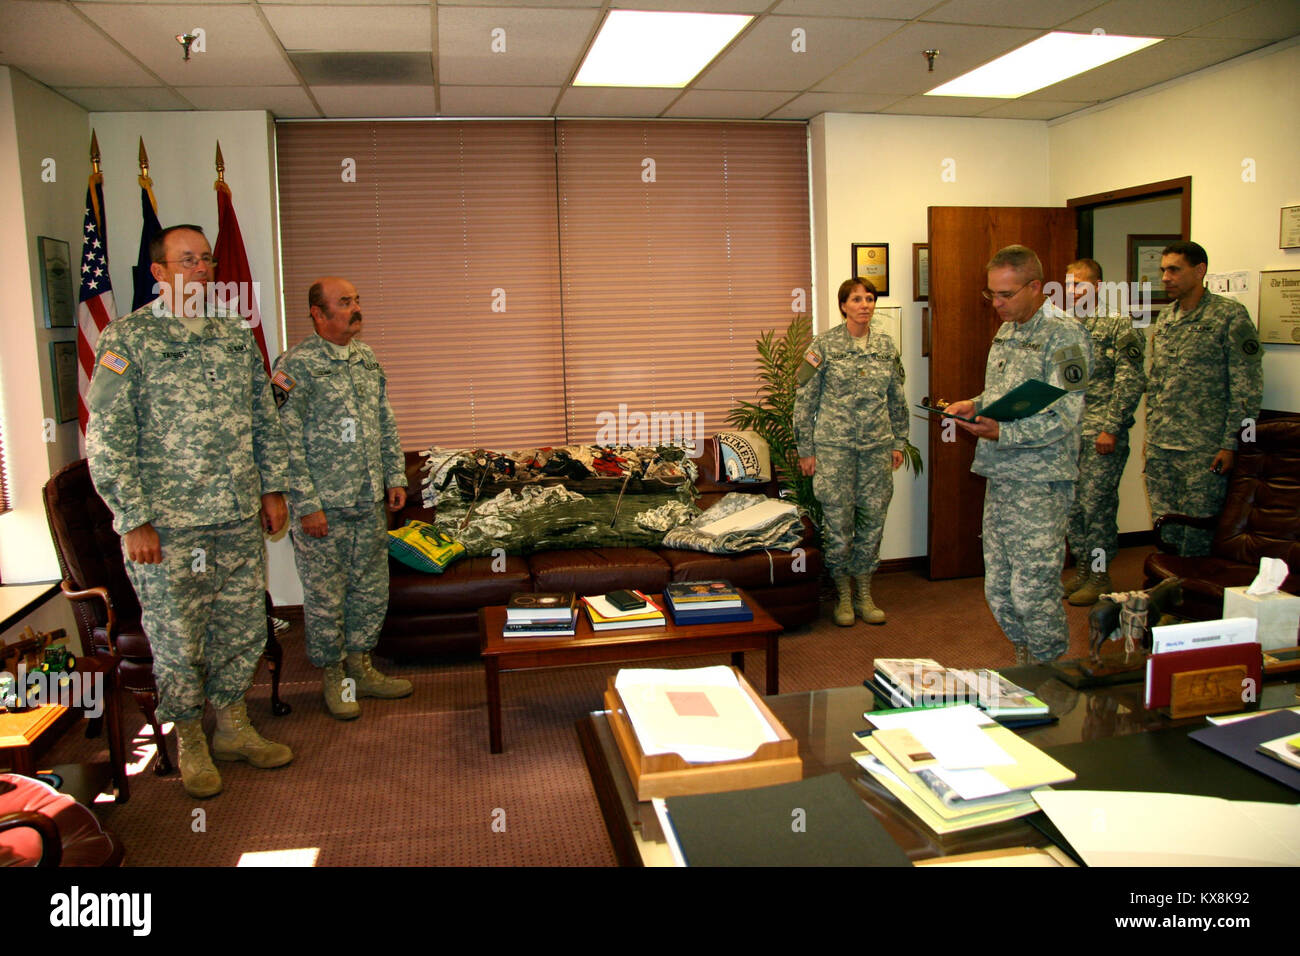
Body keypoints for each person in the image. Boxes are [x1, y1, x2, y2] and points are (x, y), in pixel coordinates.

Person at [86, 224, 293, 799]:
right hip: (168, 526)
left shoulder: (232, 335)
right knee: (179, 638)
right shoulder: (126, 340)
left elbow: (261, 418)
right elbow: (106, 438)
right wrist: (133, 518)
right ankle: (190, 741)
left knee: (242, 625)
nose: (201, 270)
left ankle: (231, 726)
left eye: (206, 260)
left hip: (234, 516)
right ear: (159, 273)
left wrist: (272, 489)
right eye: (187, 261)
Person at [943, 246, 1090, 665]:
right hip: (1002, 473)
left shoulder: (1065, 335)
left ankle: (1051, 669)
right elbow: (1004, 394)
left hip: (1041, 481)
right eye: (991, 294)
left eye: (1006, 294)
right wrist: (974, 404)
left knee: (1034, 589)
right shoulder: (1007, 330)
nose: (998, 303)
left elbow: (1065, 414)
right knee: (1000, 587)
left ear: (1036, 287)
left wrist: (1003, 430)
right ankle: (1026, 662)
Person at [272, 277, 411, 719]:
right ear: (318, 313)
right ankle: (334, 678)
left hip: (367, 500)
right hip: (324, 509)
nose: (355, 308)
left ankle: (361, 669)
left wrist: (394, 475)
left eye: (357, 300)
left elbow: (384, 422)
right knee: (326, 597)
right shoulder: (296, 365)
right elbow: (285, 441)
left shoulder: (366, 359)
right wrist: (306, 504)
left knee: (370, 590)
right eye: (345, 302)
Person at [794, 277, 908, 626]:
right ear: (843, 305)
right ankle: (843, 594)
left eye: (870, 298)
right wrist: (806, 449)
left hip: (876, 448)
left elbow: (896, 398)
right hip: (834, 449)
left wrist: (898, 442)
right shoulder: (823, 346)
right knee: (839, 524)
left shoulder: (886, 346)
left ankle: (864, 592)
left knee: (873, 522)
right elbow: (805, 399)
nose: (864, 305)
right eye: (856, 299)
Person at [1145, 240, 1263, 556]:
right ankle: (1168, 592)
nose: (1166, 277)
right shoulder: (1166, 317)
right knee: (1165, 525)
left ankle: (1192, 599)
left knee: (1198, 531)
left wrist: (1232, 444)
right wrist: (1152, 433)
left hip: (1204, 448)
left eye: (1174, 269)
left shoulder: (1229, 316)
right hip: (1162, 446)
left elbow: (1246, 386)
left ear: (1199, 271)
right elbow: (1157, 382)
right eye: (1163, 270)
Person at [1062, 258, 1146, 605]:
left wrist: (1111, 428)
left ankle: (1100, 575)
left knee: (1096, 508)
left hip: (1101, 433)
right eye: (1067, 284)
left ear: (1097, 286)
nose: (1071, 291)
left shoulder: (1120, 325)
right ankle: (1083, 571)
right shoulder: (1066, 327)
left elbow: (1130, 381)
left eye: (1079, 284)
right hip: (1070, 434)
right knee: (1074, 508)